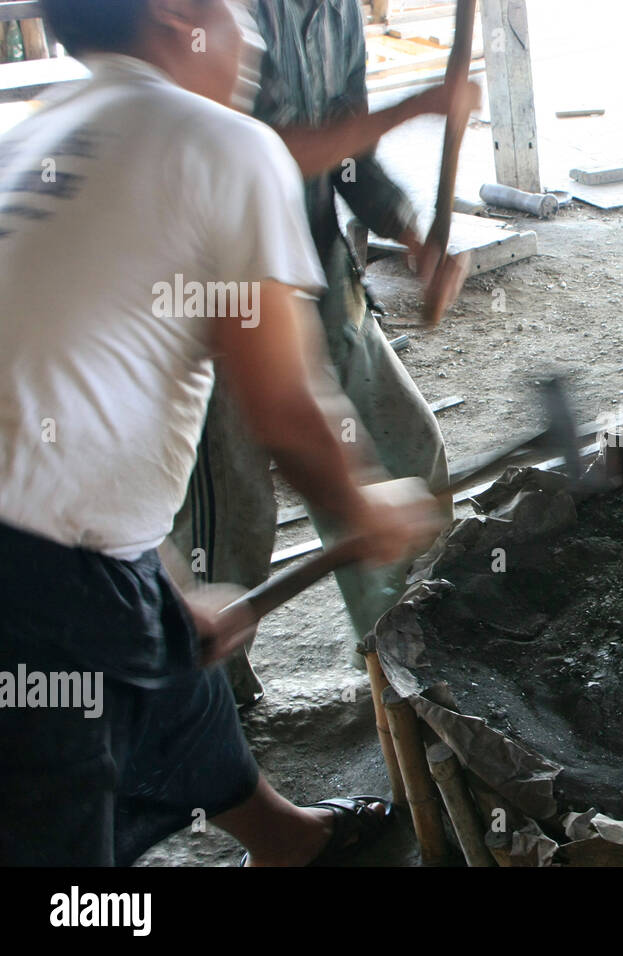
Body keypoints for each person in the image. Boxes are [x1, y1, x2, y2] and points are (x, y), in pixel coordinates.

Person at [0, 0, 441, 866]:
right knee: (58, 837)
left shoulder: (37, 135)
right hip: (36, 587)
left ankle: (288, 840)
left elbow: (55, 386)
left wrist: (158, 575)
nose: (250, 45)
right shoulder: (223, 144)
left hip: (57, 541)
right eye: (238, 14)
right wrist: (360, 504)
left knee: (175, 659)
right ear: (174, 13)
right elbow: (281, 404)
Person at [171, 0, 476, 705]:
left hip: (323, 273)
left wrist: (410, 231)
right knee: (234, 530)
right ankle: (218, 718)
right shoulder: (221, 18)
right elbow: (257, 154)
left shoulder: (337, 11)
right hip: (234, 300)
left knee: (409, 461)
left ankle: (407, 670)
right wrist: (416, 107)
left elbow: (346, 164)